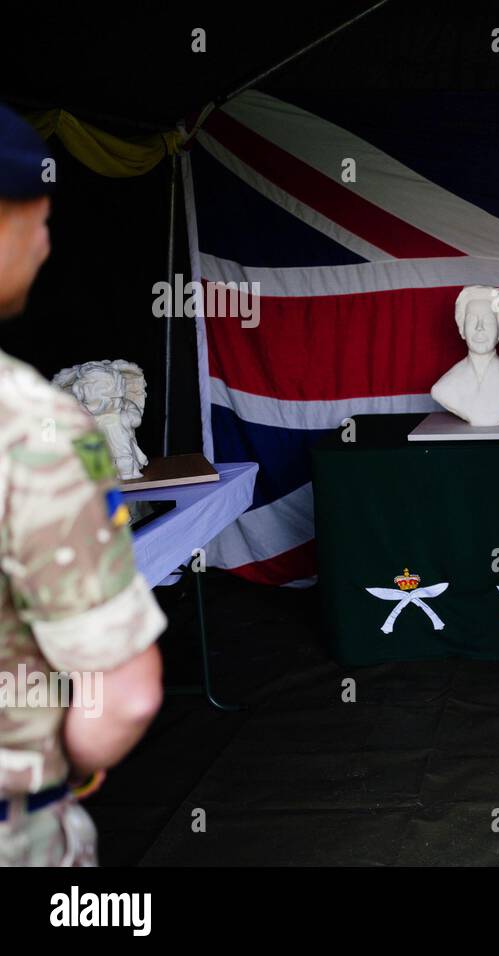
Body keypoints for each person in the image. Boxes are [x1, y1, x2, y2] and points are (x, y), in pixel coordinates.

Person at [0, 104, 166, 865]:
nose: (47, 240)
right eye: (41, 215)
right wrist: (68, 770)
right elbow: (122, 697)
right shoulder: (36, 426)